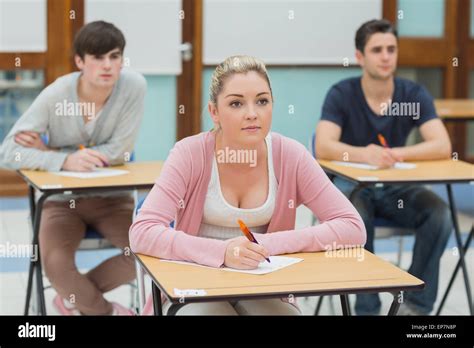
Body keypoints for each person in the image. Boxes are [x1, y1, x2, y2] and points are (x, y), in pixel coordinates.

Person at [130, 55, 366, 315]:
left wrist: (268, 244)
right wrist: (223, 252)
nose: (252, 114)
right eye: (236, 103)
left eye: (262, 101)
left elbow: (352, 228)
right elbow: (142, 232)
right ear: (214, 112)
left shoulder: (290, 155)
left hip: (264, 285)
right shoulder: (189, 154)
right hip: (195, 287)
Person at [0, 21, 147, 315]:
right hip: (60, 201)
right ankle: (105, 312)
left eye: (114, 57)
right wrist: (62, 161)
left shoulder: (133, 87)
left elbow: (120, 151)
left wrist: (52, 151)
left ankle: (72, 297)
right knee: (54, 262)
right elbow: (8, 152)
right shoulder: (57, 95)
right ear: (80, 61)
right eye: (97, 57)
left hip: (112, 199)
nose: (107, 65)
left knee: (146, 253)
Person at [316, 19, 452, 315]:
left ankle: (414, 306)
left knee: (439, 213)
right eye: (377, 50)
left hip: (395, 190)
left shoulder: (412, 94)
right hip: (354, 188)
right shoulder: (342, 93)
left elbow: (442, 145)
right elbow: (323, 145)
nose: (386, 56)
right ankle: (367, 308)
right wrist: (366, 154)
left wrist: (397, 153)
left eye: (391, 49)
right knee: (355, 219)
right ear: (360, 57)